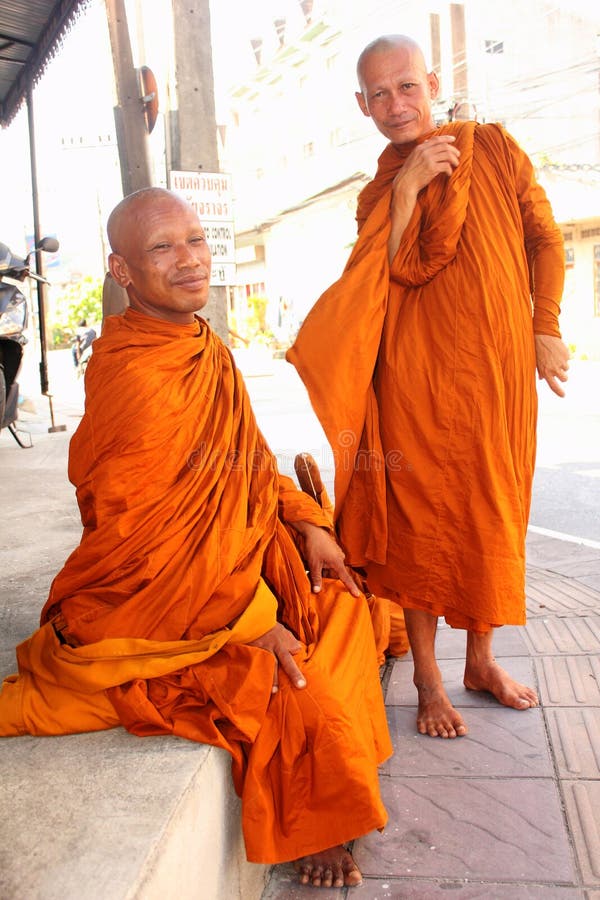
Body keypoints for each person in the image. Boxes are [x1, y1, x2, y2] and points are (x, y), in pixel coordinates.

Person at [0, 188, 392, 888]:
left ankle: (326, 786)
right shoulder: (135, 372)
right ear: (122, 272)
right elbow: (143, 542)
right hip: (156, 605)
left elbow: (245, 459)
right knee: (292, 685)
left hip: (224, 575)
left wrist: (306, 523)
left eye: (196, 240)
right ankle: (319, 828)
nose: (189, 261)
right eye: (162, 248)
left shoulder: (204, 346)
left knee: (348, 610)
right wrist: (248, 621)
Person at [287, 35, 570, 740]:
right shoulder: (380, 190)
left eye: (406, 86)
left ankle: (480, 660)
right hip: (413, 376)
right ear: (362, 106)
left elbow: (546, 238)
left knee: (489, 511)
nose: (395, 104)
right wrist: (410, 186)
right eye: (378, 94)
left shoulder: (493, 149)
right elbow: (387, 273)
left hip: (498, 377)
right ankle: (427, 676)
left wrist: (546, 325)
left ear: (432, 82)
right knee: (416, 519)